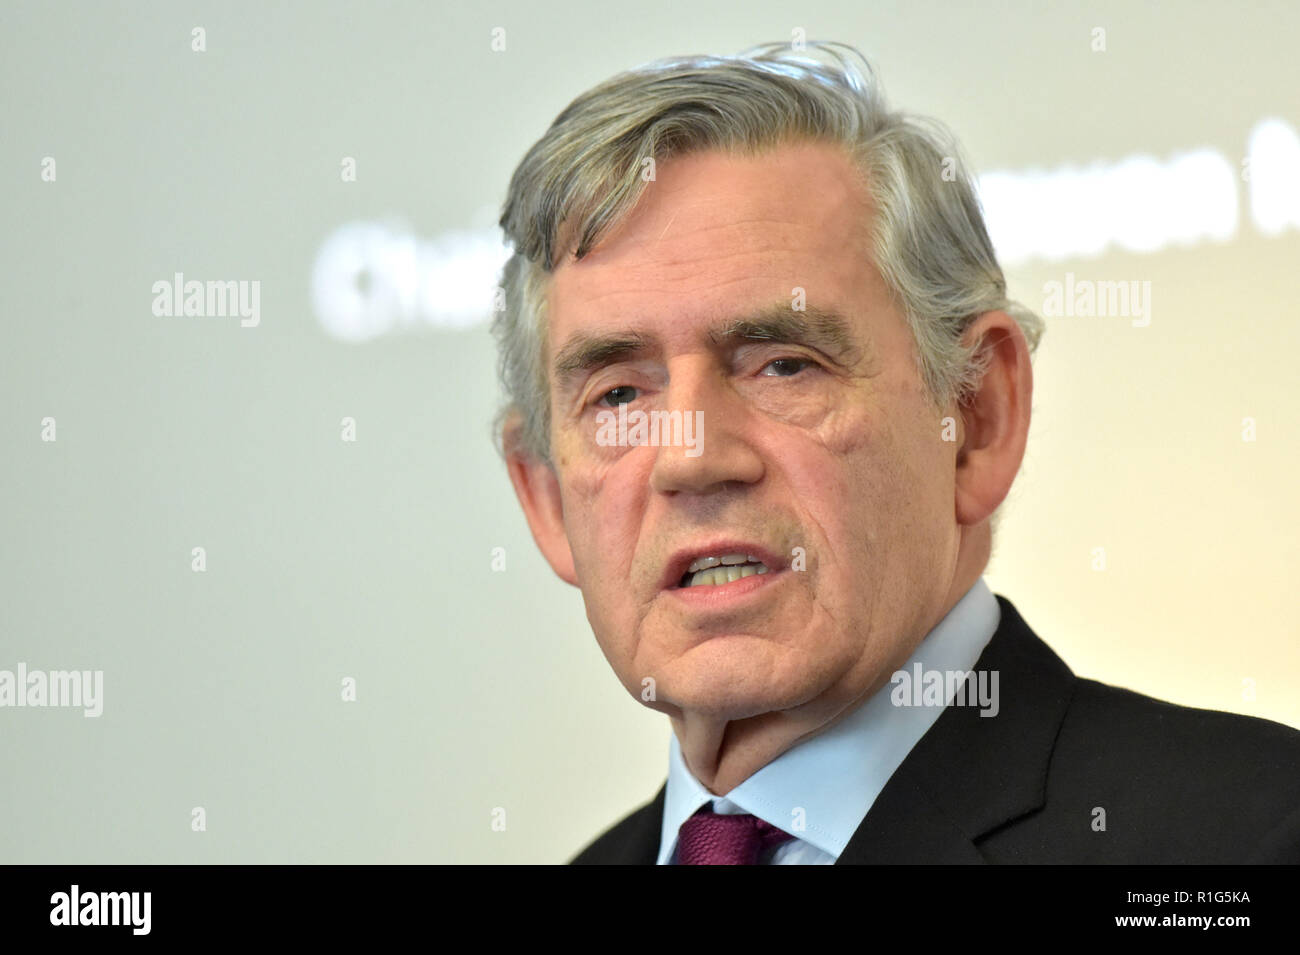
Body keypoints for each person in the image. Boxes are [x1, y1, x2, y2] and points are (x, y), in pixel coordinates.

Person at [490, 41, 1300, 864]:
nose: (692, 459)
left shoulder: (1246, 839)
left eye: (783, 364)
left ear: (976, 415)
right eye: (619, 395)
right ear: (547, 498)